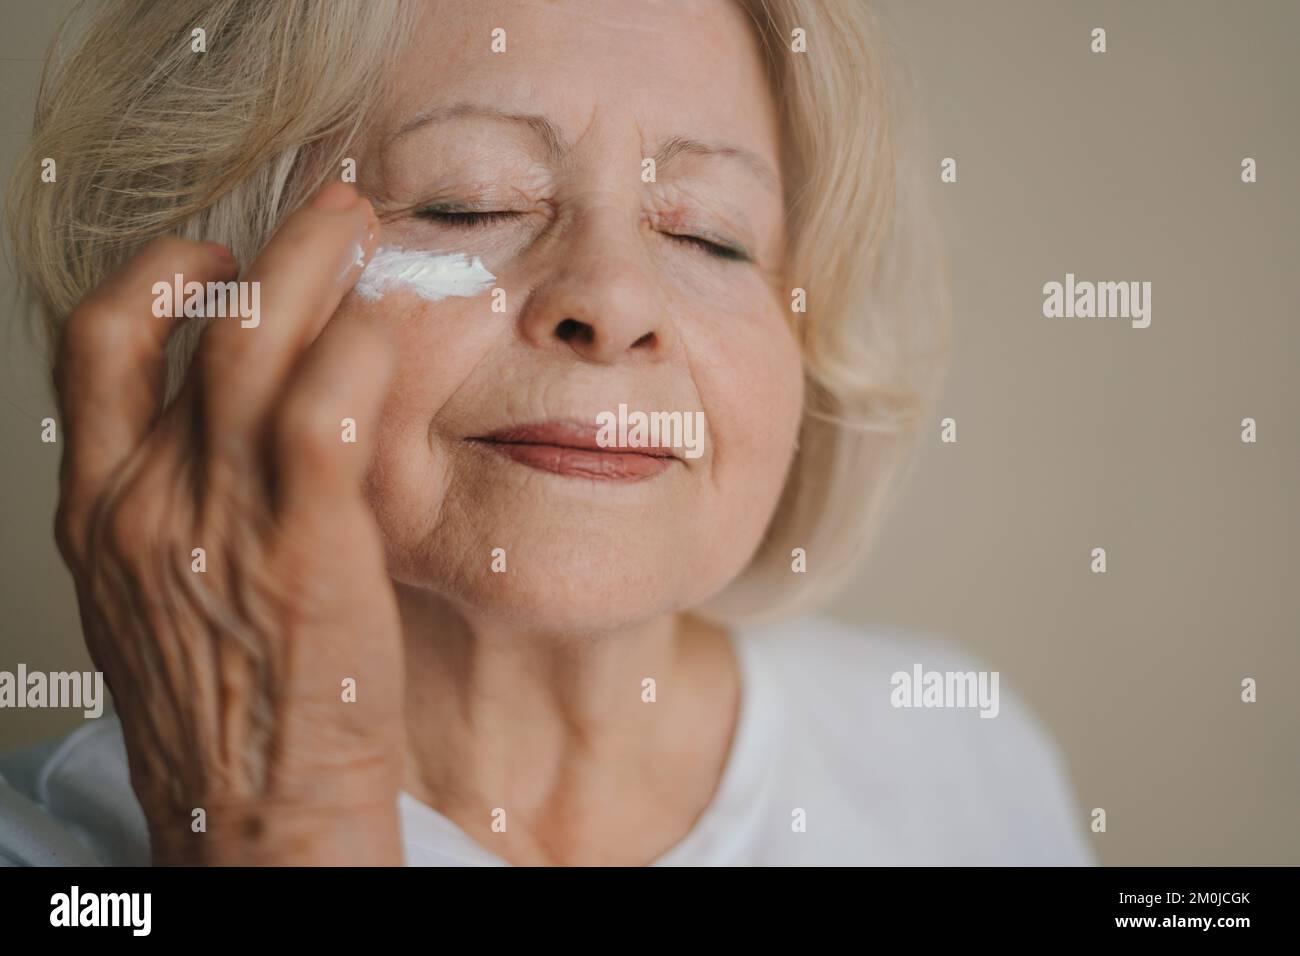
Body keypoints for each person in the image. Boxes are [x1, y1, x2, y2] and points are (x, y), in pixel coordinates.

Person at [0, 0, 1092, 866]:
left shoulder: (958, 751)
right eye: (468, 206)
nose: (612, 299)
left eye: (707, 234)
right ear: (224, 294)